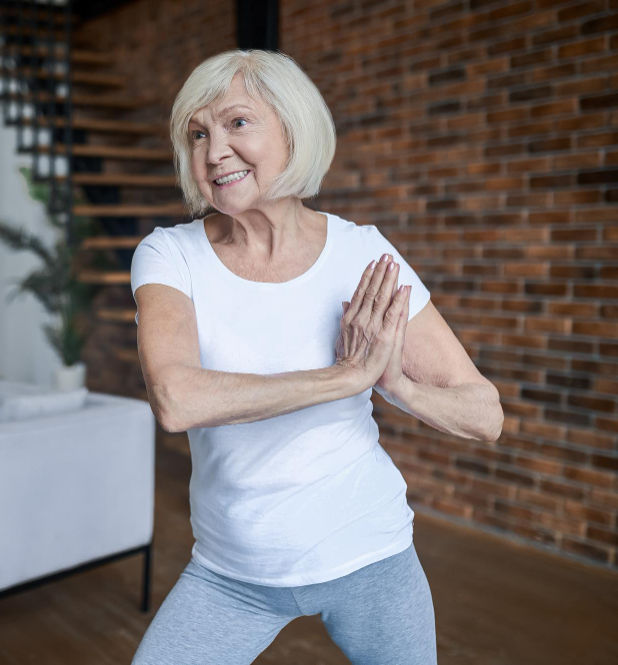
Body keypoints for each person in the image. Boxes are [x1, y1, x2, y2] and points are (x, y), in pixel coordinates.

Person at [129, 49, 503, 665]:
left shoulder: (363, 253)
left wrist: (393, 384)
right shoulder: (170, 255)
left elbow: (484, 414)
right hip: (232, 574)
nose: (213, 150)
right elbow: (177, 399)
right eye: (196, 134)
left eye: (237, 123)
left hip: (371, 556)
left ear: (293, 129)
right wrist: (342, 378)